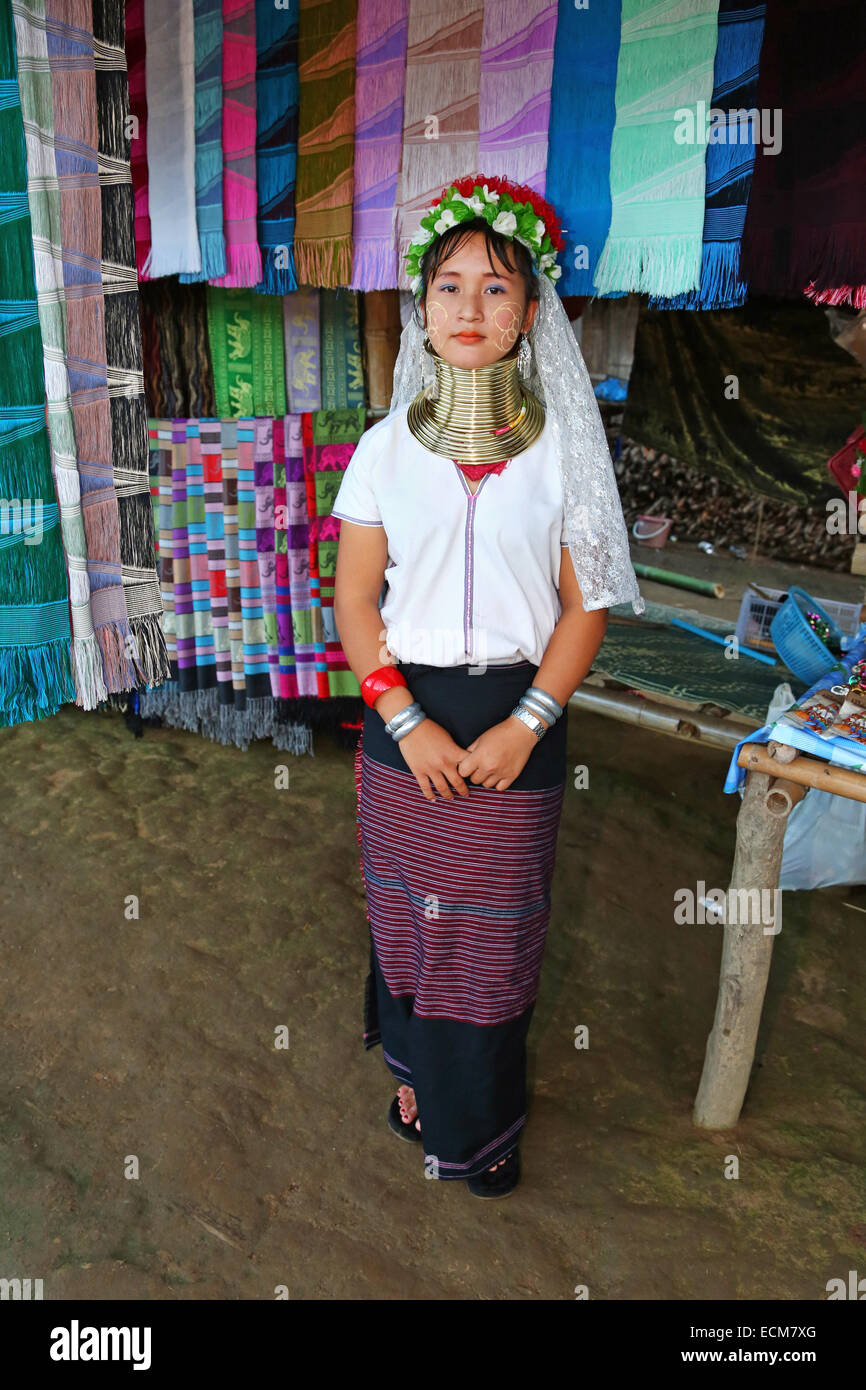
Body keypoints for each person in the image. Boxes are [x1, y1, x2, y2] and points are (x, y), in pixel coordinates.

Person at [332, 175, 643, 1198]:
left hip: (521, 718)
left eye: (495, 289)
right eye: (449, 286)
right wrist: (405, 720)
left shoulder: (561, 454)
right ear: (420, 308)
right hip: (402, 727)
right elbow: (356, 607)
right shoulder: (383, 451)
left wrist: (528, 722)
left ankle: (482, 1124)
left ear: (529, 313)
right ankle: (420, 1079)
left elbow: (583, 603)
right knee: (408, 920)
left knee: (492, 936)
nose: (469, 309)